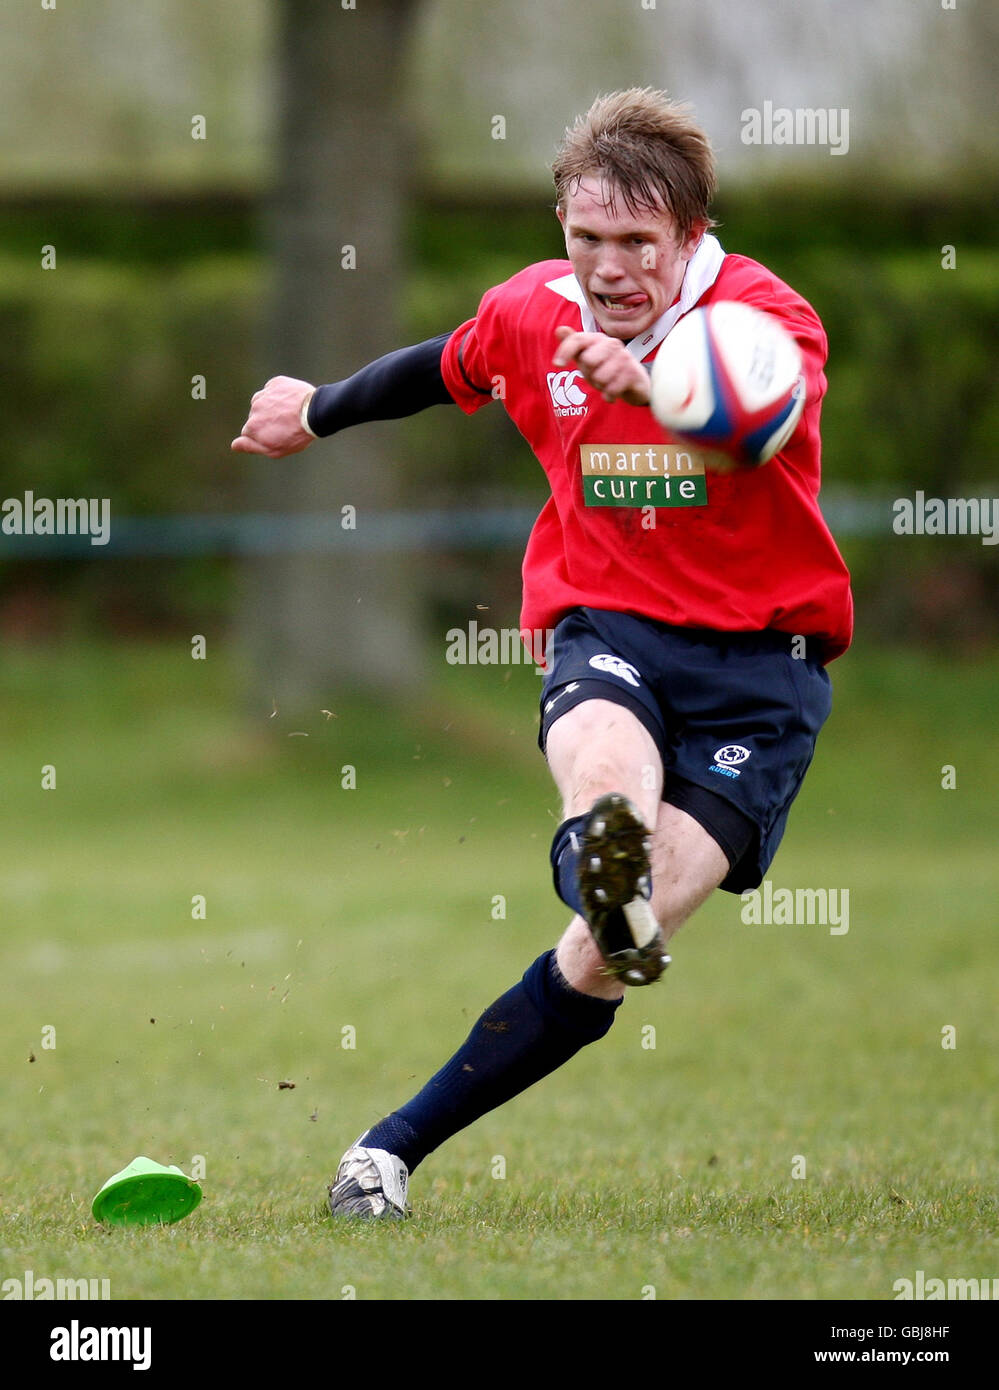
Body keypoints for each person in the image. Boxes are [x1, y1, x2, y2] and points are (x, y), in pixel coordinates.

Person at [232, 89, 853, 1220]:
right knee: (607, 779)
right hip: (606, 623)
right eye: (587, 240)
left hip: (762, 676)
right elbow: (447, 363)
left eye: (637, 244)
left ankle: (392, 1140)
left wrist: (655, 390)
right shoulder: (536, 311)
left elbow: (753, 418)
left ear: (692, 236)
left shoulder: (763, 320)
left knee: (616, 945)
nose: (609, 269)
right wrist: (314, 410)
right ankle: (600, 862)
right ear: (562, 230)